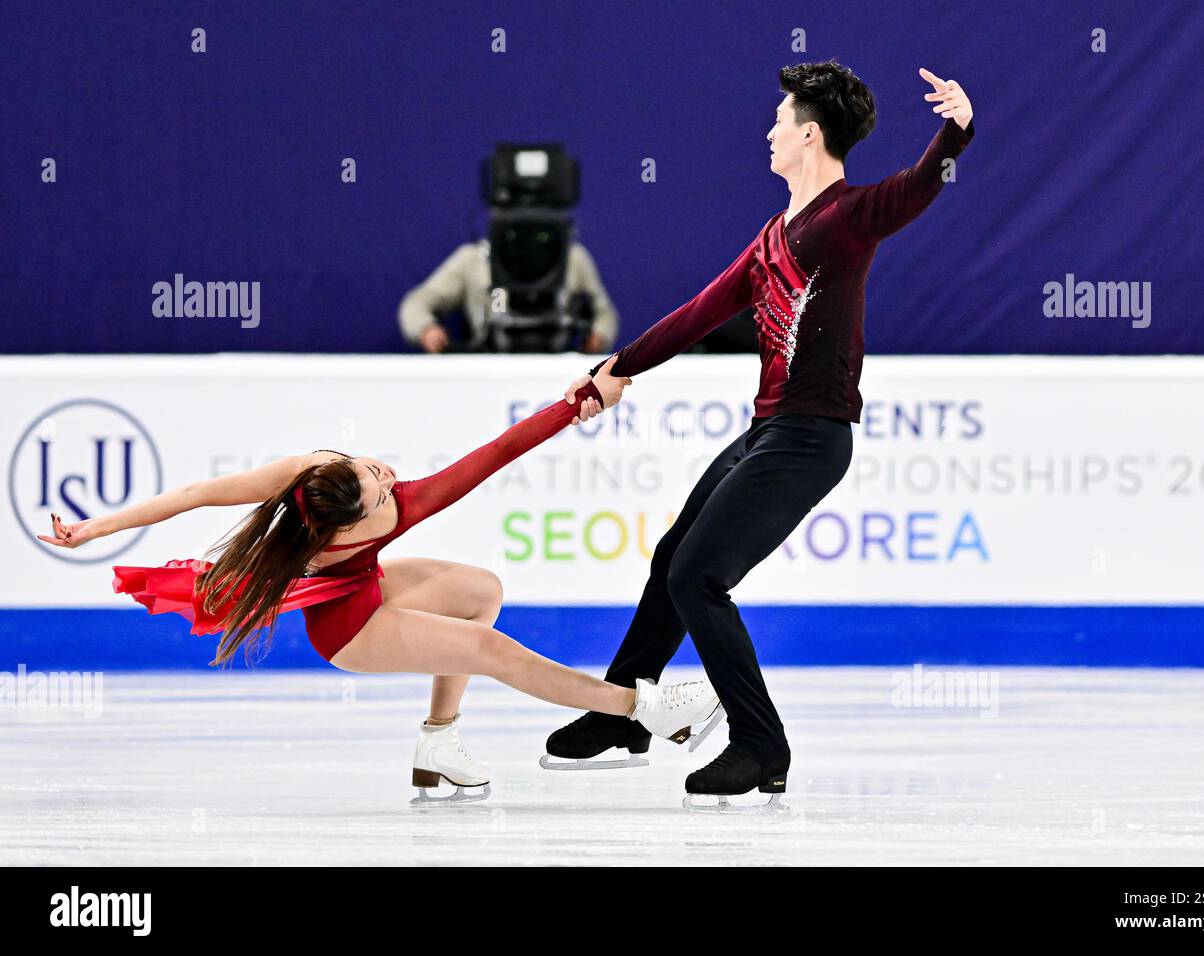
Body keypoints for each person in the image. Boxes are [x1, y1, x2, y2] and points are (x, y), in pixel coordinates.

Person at [545, 61, 976, 809]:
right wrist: (616, 370)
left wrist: (957, 130)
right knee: (677, 555)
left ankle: (759, 743)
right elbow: (702, 309)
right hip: (768, 429)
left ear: (810, 135)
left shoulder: (848, 217)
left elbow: (919, 185)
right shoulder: (777, 233)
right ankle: (624, 716)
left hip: (811, 438)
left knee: (697, 579)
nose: (769, 132)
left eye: (779, 121)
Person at [36, 376, 722, 804]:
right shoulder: (336, 526)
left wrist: (576, 403)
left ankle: (438, 743)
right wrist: (102, 533)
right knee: (486, 647)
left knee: (480, 590)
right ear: (351, 518)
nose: (387, 476)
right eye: (377, 488)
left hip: (368, 588)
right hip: (347, 629)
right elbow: (197, 501)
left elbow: (494, 454)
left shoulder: (314, 472)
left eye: (372, 469)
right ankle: (642, 709)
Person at [398, 238, 619, 354]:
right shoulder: (473, 260)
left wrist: (597, 336)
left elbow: (605, 315)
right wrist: (426, 329)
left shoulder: (573, 259)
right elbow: (416, 304)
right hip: (487, 375)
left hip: (558, 375)